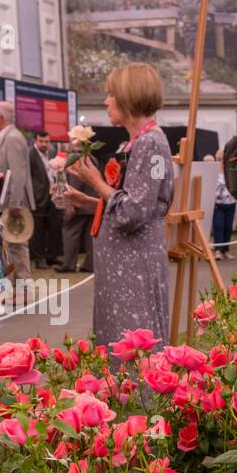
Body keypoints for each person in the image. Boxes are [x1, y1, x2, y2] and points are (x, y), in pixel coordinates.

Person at [65, 63, 173, 348]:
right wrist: (89, 201)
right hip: (124, 268)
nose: (106, 101)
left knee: (134, 351)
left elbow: (134, 212)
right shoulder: (142, 143)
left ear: (128, 96)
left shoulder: (151, 145)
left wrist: (96, 181)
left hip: (133, 268)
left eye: (111, 94)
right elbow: (141, 202)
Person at [0, 100, 34, 282]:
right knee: (9, 245)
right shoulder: (5, 136)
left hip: (12, 202)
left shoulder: (13, 137)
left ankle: (24, 287)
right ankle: (15, 285)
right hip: (3, 201)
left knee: (17, 244)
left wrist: (15, 203)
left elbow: (18, 173)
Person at [29, 133, 62, 269]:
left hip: (53, 195)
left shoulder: (53, 152)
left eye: (47, 141)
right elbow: (27, 176)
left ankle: (51, 256)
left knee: (54, 227)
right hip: (38, 197)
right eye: (41, 141)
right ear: (35, 141)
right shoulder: (30, 154)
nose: (44, 144)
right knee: (38, 230)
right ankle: (39, 258)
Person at [212, 150, 237, 256]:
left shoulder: (231, 171)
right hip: (218, 203)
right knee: (218, 226)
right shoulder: (213, 171)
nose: (220, 161)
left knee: (228, 227)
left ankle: (226, 250)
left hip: (231, 202)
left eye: (222, 159)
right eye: (218, 159)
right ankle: (218, 250)